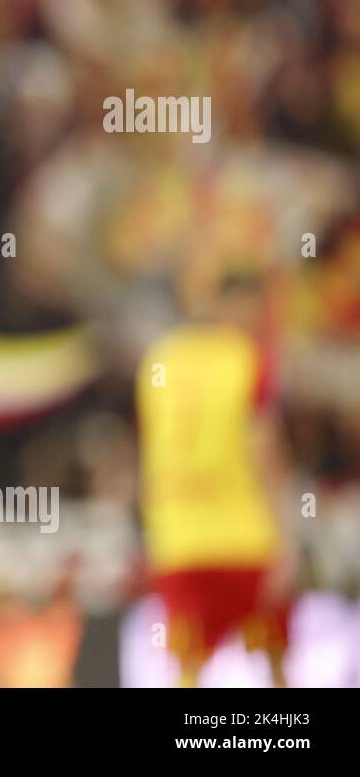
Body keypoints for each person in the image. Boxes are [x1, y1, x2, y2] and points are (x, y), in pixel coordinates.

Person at [136, 264, 297, 687]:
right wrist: (287, 537)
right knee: (276, 666)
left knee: (187, 673)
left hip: (177, 544)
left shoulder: (159, 360)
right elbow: (265, 449)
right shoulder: (245, 358)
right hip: (245, 541)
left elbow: (150, 452)